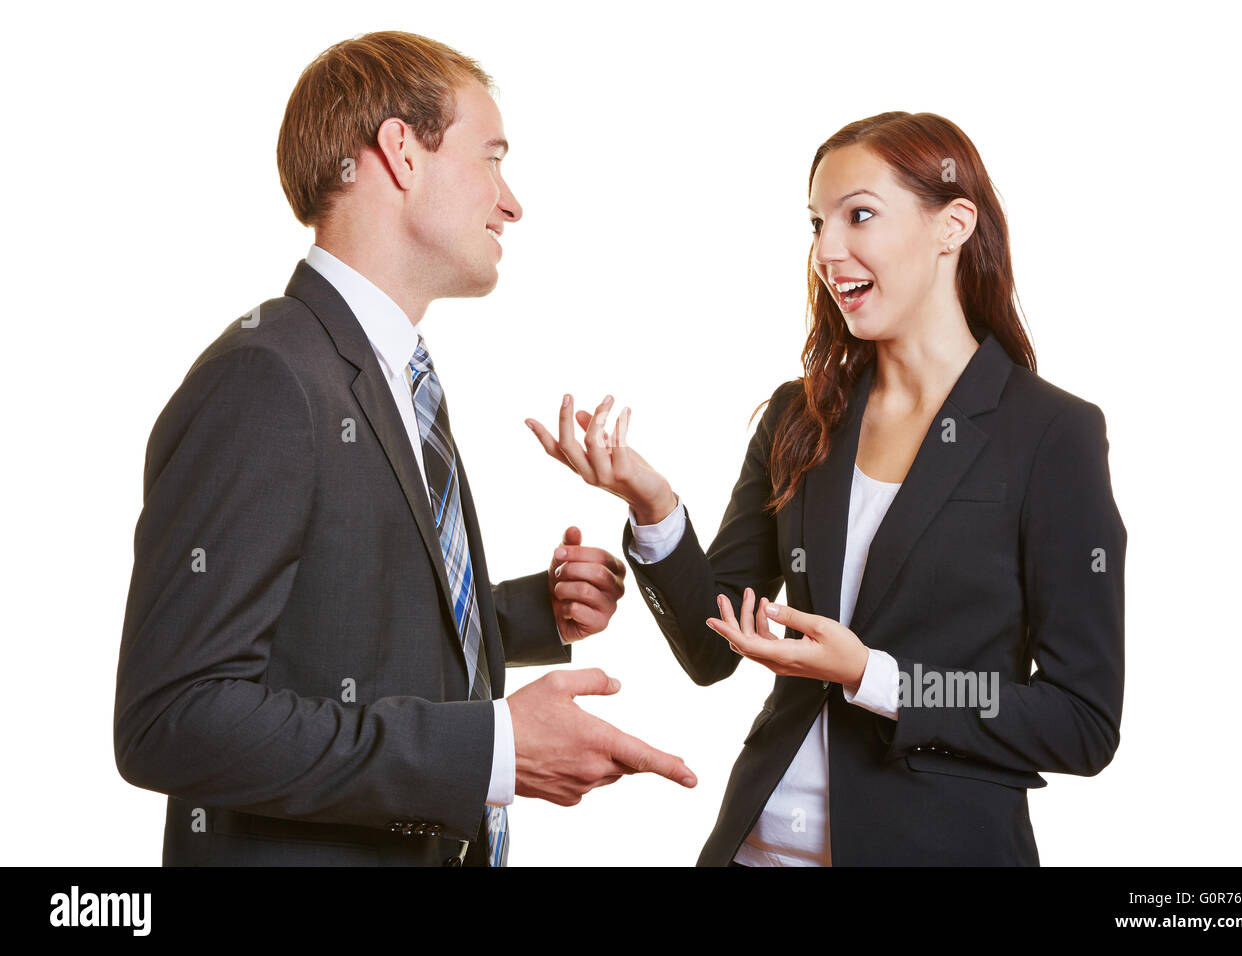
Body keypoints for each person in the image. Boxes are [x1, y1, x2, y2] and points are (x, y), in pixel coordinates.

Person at [114, 30, 695, 868]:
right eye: (490, 157)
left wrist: (534, 612)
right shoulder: (266, 376)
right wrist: (489, 751)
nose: (511, 202)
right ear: (400, 153)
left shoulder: (389, 373)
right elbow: (174, 718)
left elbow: (337, 628)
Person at [526, 111, 1125, 866]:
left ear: (953, 225)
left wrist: (876, 678)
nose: (826, 251)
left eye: (860, 215)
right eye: (816, 224)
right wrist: (653, 509)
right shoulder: (801, 414)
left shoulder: (1050, 436)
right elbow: (715, 648)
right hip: (757, 847)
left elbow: (1080, 720)